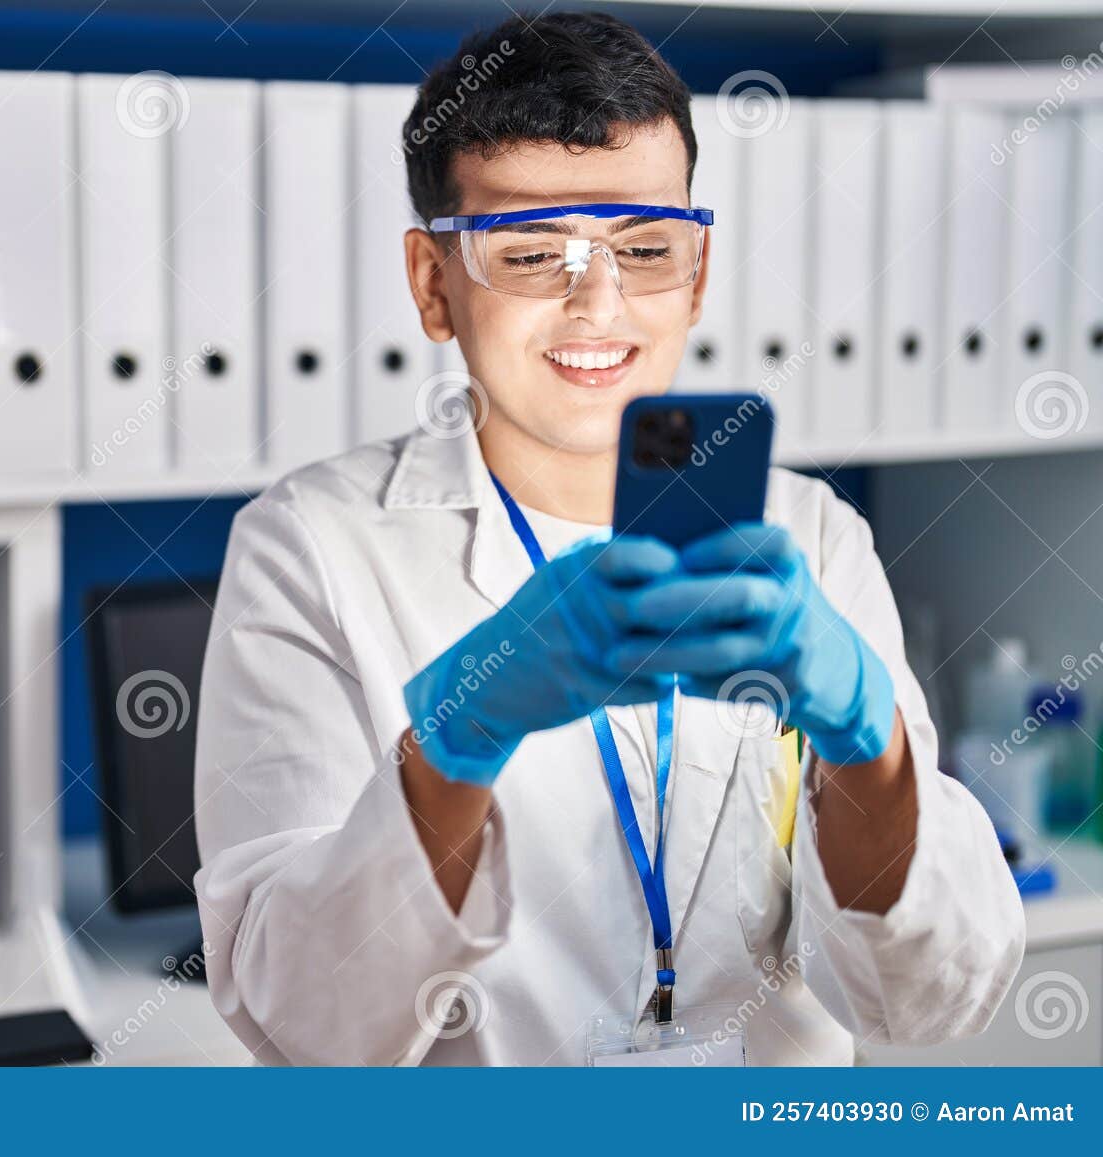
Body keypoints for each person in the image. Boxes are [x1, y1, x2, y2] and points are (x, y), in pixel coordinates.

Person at [192, 11, 1023, 1065]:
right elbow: (305, 1017)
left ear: (698, 272)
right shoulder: (308, 547)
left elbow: (928, 996)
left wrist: (869, 743)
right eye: (532, 252)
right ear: (432, 283)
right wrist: (458, 736)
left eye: (644, 247)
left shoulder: (810, 535)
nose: (599, 302)